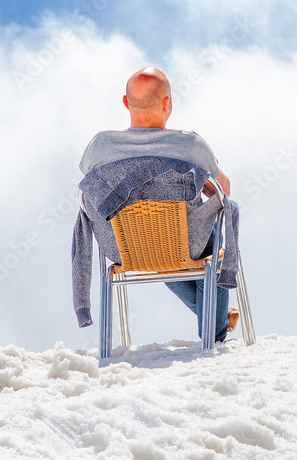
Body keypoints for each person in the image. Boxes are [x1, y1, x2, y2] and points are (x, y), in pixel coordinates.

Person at [76, 67, 238, 343]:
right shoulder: (191, 144)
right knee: (199, 244)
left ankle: (217, 321)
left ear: (126, 102)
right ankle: (216, 332)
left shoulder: (99, 146)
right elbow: (224, 190)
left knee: (155, 244)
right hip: (183, 243)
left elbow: (93, 185)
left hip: (122, 246)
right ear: (167, 103)